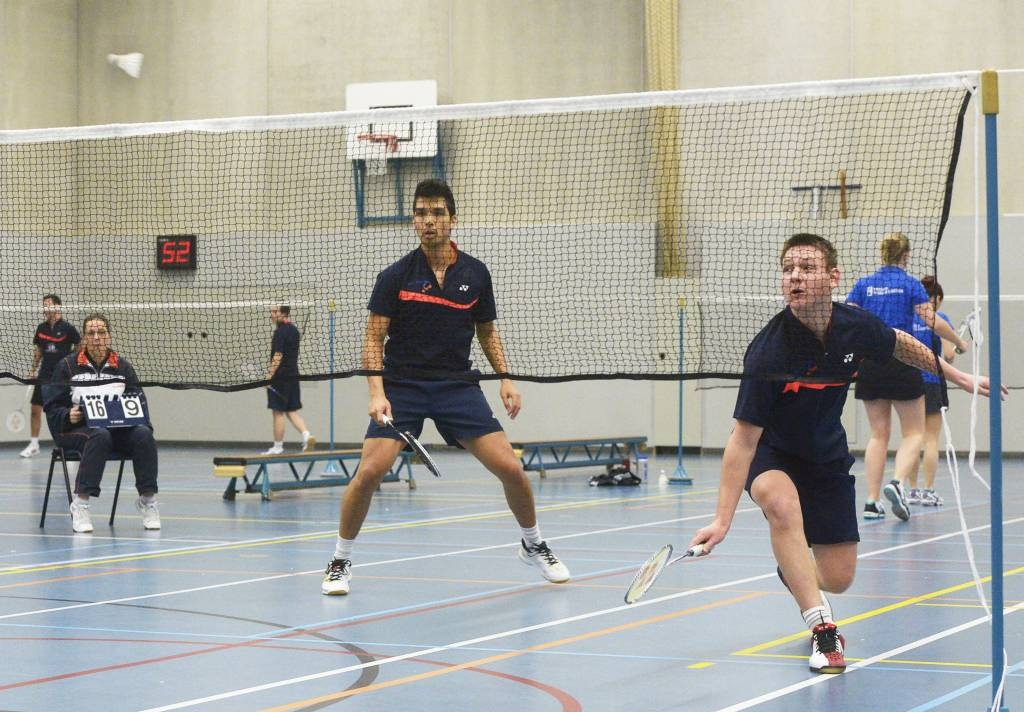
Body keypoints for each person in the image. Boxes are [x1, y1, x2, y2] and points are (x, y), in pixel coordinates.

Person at [689, 233, 1002, 674]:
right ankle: (823, 631)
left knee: (838, 578)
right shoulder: (768, 351)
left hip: (827, 456)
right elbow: (742, 441)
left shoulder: (854, 325)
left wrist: (957, 376)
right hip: (773, 453)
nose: (795, 276)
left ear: (833, 277)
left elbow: (897, 341)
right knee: (781, 506)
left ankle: (794, 572)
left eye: (807, 268)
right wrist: (721, 519)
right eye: (788, 269)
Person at [321, 178, 570, 596]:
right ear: (414, 221)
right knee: (369, 473)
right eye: (421, 213)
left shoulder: (475, 273)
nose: (428, 221)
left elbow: (487, 332)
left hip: (457, 386)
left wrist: (506, 379)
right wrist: (376, 393)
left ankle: (533, 544)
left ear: (453, 220)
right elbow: (372, 338)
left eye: (437, 213)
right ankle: (340, 560)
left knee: (511, 468)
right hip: (403, 387)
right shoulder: (395, 276)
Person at [846, 233, 968, 522]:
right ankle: (898, 482)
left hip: (870, 364)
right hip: (903, 359)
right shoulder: (910, 284)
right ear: (906, 256)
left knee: (878, 434)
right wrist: (959, 343)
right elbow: (931, 320)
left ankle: (872, 501)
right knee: (914, 432)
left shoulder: (864, 285)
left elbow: (848, 319)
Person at [42, 313, 161, 533]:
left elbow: (139, 403)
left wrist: (141, 423)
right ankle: (80, 504)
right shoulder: (67, 366)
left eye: (101, 332)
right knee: (99, 435)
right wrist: (68, 415)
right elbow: (51, 405)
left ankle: (148, 500)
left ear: (109, 336)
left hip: (117, 430)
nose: (97, 337)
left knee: (144, 434)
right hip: (77, 430)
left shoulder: (123, 367)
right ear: (84, 338)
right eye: (91, 333)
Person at [906, 276, 955, 506]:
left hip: (909, 382)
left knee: (911, 437)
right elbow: (950, 356)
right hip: (933, 382)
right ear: (936, 299)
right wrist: (955, 349)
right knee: (931, 439)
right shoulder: (940, 319)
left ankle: (912, 491)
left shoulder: (907, 317)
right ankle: (928, 490)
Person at [22, 294, 80, 458]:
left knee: (66, 411)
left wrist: (72, 360)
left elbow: (79, 344)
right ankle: (34, 444)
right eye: (44, 305)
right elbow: (39, 350)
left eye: (48, 305)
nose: (45, 308)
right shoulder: (41, 328)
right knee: (35, 410)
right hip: (44, 375)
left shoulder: (68, 328)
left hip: (62, 377)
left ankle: (70, 444)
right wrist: (33, 369)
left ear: (57, 307)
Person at [264, 304, 315, 454]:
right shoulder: (294, 330)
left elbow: (278, 355)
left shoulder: (280, 332)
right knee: (291, 410)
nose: (272, 315)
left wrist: (269, 376)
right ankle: (307, 436)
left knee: (278, 412)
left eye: (275, 312)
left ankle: (278, 447)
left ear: (284, 313)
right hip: (293, 375)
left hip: (280, 378)